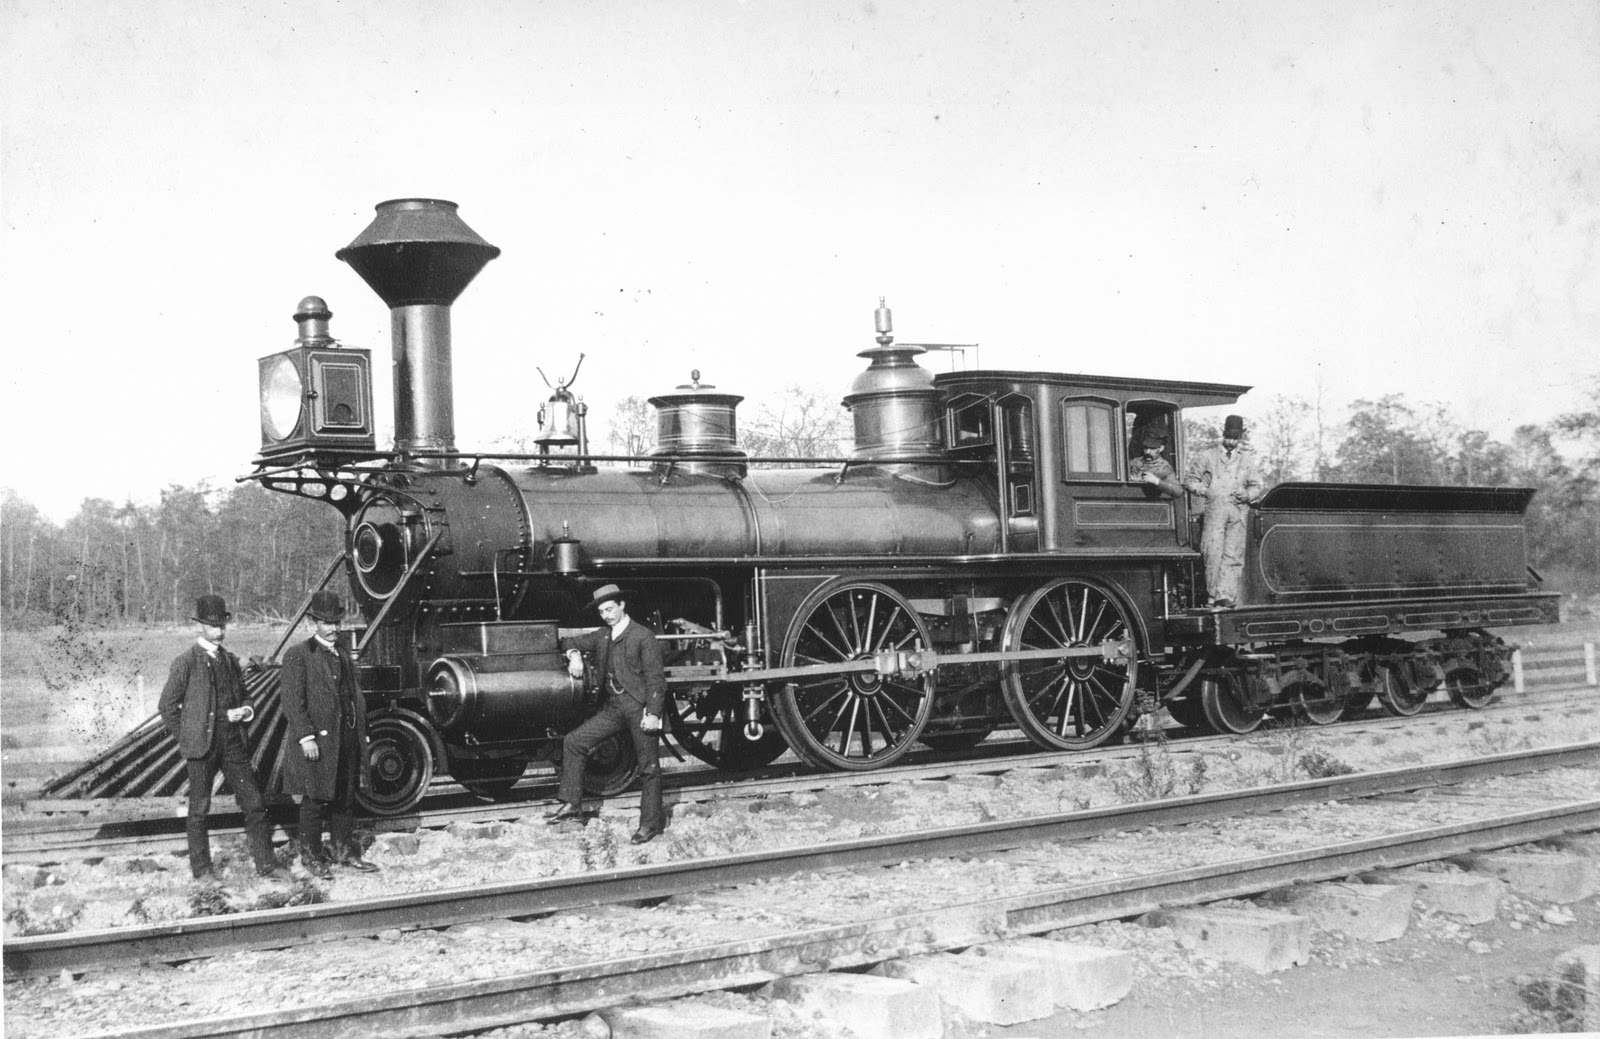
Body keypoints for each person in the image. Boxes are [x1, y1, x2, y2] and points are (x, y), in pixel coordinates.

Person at [159, 595, 282, 881]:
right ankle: (202, 872)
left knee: (253, 801)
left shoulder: (229, 660)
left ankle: (267, 865)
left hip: (232, 744)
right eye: (213, 626)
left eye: (222, 625)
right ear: (200, 626)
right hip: (201, 747)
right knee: (199, 809)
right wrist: (187, 736)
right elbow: (167, 706)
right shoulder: (185, 663)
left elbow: (245, 694)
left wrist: (247, 709)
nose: (219, 631)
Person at [546, 584, 668, 844]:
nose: (606, 615)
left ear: (622, 605)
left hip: (639, 708)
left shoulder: (643, 636)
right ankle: (571, 804)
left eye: (610, 609)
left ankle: (650, 824)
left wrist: (654, 714)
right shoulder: (603, 636)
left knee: (649, 768)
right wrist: (574, 655)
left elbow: (656, 680)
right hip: (613, 708)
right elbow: (568, 641)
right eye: (602, 611)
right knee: (574, 742)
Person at [280, 590, 378, 876]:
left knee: (345, 797)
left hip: (345, 738)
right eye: (327, 623)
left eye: (336, 622)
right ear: (314, 623)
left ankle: (342, 853)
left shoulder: (343, 654)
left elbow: (354, 696)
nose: (334, 628)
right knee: (314, 799)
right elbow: (292, 701)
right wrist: (306, 736)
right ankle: (311, 858)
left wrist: (362, 732)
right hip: (318, 741)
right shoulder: (299, 654)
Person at [1184, 414, 1264, 608]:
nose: (1231, 441)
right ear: (1223, 434)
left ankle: (1225, 597)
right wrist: (1206, 491)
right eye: (1228, 437)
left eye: (1235, 438)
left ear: (1240, 437)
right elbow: (1190, 480)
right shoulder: (1208, 456)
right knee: (1212, 553)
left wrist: (1247, 495)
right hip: (1214, 511)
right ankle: (1212, 596)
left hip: (1238, 512)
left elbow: (1257, 485)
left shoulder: (1246, 459)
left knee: (1233, 555)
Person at [1131, 428, 1183, 498]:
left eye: (1152, 448)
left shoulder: (1164, 467)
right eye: (1145, 448)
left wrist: (1156, 481)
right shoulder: (1135, 461)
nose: (1148, 452)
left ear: (1161, 448)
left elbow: (1178, 491)